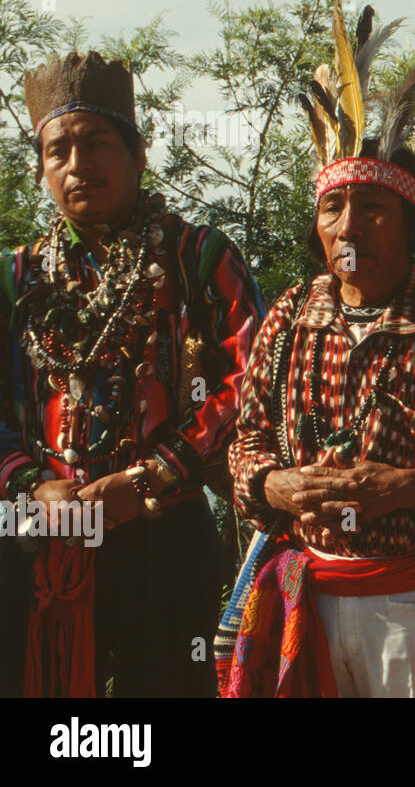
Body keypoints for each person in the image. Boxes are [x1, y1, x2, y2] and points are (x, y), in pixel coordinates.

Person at [221, 3, 415, 697]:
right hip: (303, 592)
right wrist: (276, 484)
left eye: (373, 208)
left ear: (408, 222)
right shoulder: (290, 317)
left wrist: (406, 489)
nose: (350, 223)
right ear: (317, 223)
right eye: (333, 207)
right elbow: (245, 440)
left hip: (414, 604)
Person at [0, 51, 264, 696]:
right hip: (40, 535)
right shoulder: (14, 278)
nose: (77, 164)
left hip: (162, 530)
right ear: (40, 170)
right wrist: (32, 486)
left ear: (138, 155)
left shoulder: (198, 257)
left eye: (97, 143)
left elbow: (252, 379)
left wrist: (152, 476)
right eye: (57, 150)